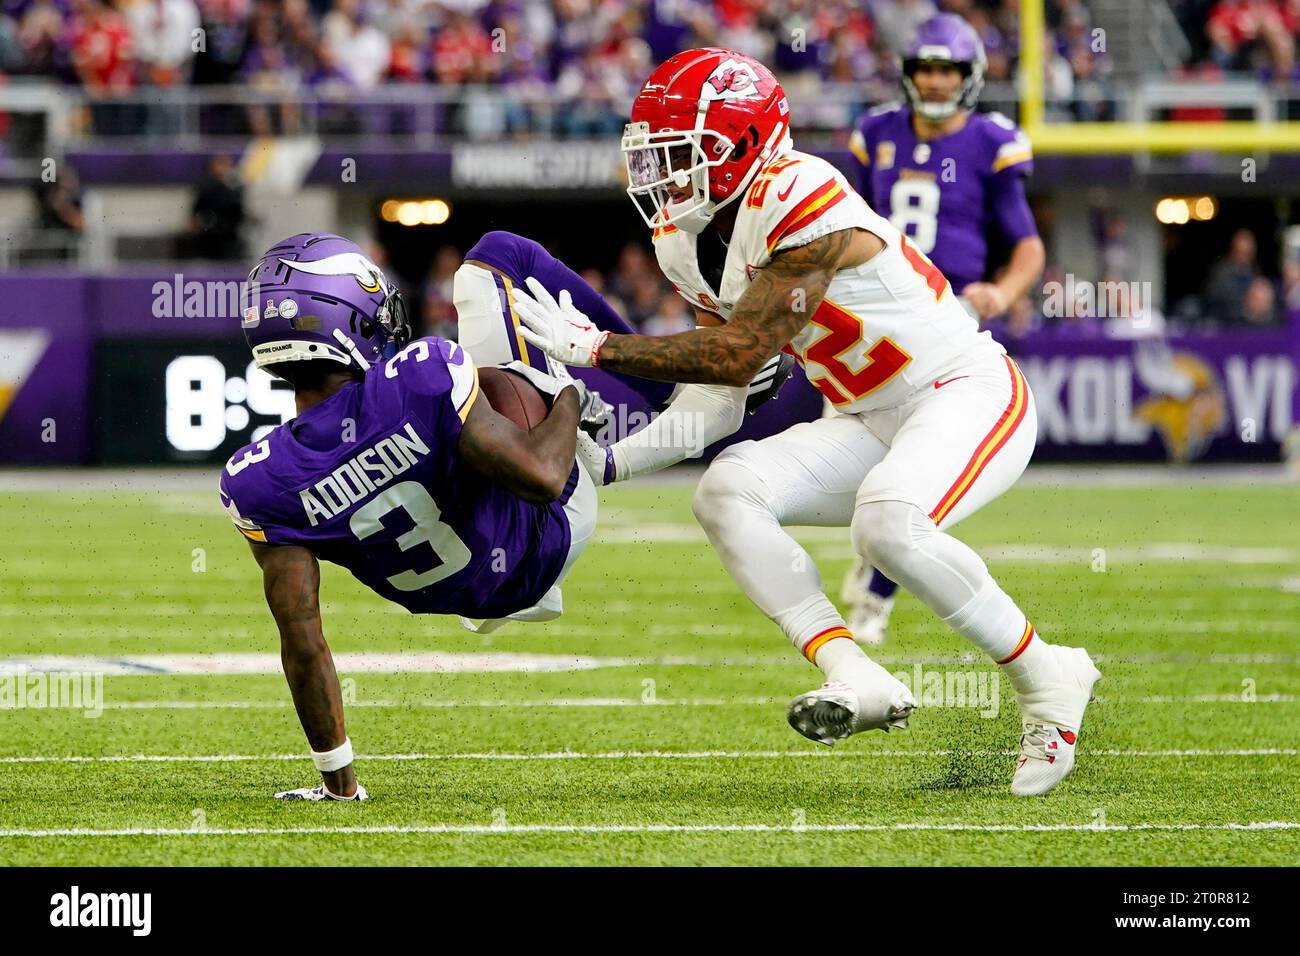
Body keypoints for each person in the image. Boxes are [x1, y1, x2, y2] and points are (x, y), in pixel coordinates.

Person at [512, 47, 1099, 796]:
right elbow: (723, 400)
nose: (662, 174)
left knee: (887, 525)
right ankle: (856, 673)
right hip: (867, 414)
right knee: (725, 491)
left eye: (681, 154)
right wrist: (610, 463)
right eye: (653, 154)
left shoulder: (800, 193)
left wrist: (596, 347)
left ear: (746, 147)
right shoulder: (683, 241)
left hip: (963, 390)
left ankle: (1049, 680)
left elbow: (735, 353)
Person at [219, 232, 609, 801]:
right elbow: (545, 478)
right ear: (347, 316)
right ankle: (665, 395)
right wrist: (571, 392)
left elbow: (304, 644)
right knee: (498, 264)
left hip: (472, 599)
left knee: (469, 401)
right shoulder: (420, 374)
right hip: (551, 529)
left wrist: (339, 786)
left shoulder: (259, 481)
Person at [842, 13, 1046, 643]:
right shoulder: (876, 132)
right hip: (874, 311)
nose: (934, 81)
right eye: (925, 68)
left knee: (929, 460)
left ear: (970, 75)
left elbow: (1028, 247)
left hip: (949, 314)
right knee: (857, 448)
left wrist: (1001, 292)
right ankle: (874, 556)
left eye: (947, 69)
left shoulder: (990, 142)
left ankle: (875, 596)